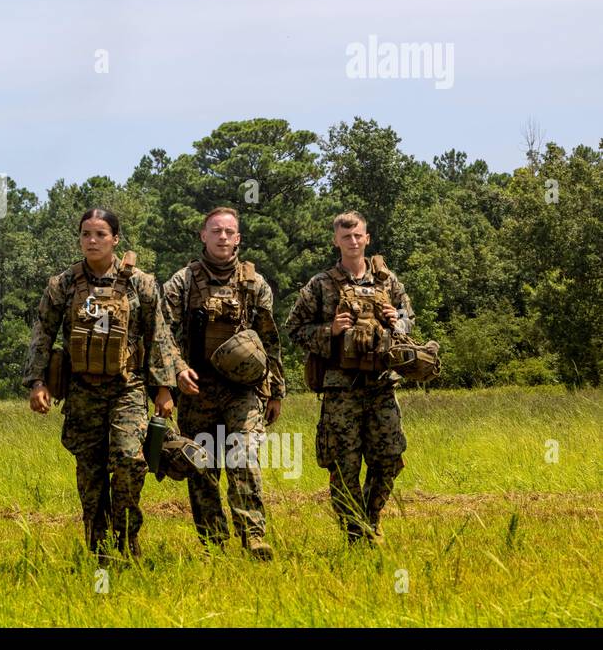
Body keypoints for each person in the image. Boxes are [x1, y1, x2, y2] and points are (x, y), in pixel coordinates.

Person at [23, 208, 186, 558]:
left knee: (130, 460)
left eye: (100, 234)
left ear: (115, 239)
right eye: (85, 234)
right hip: (82, 391)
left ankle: (127, 536)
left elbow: (159, 336)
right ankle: (100, 551)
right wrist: (37, 382)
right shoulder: (63, 285)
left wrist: (163, 388)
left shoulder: (140, 283)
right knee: (91, 475)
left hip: (127, 388)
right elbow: (42, 334)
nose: (92, 241)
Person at [285, 211, 413, 546]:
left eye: (358, 235)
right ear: (336, 241)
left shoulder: (388, 281)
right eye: (346, 236)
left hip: (382, 386)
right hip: (341, 390)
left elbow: (407, 321)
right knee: (344, 467)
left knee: (389, 459)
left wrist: (394, 320)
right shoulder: (321, 284)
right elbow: (295, 329)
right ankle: (356, 535)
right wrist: (331, 331)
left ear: (367, 238)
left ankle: (370, 520)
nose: (353, 241)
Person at [162, 207, 284, 560]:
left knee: (243, 456)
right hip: (196, 388)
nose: (223, 237)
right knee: (202, 466)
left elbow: (269, 340)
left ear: (238, 238)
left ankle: (254, 537)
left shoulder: (254, 284)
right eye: (216, 231)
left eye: (230, 231)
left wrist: (276, 391)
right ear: (203, 235)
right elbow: (162, 334)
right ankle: (213, 544)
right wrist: (177, 370)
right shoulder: (182, 283)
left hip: (243, 391)